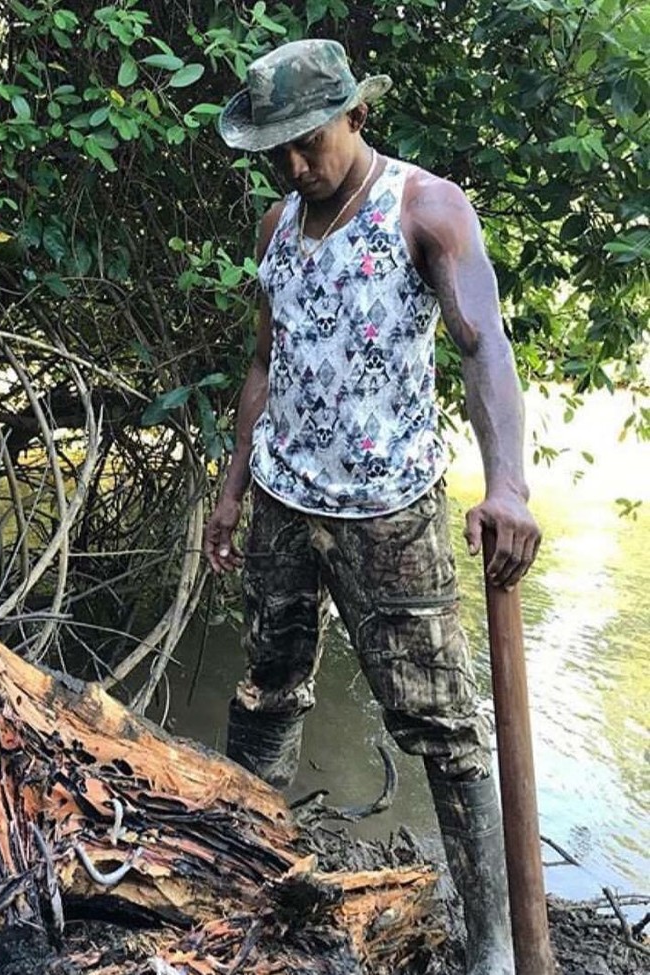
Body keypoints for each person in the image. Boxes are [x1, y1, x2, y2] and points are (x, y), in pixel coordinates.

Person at [206, 39, 542, 975]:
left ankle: (490, 947)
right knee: (267, 688)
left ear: (356, 116)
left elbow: (484, 346)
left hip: (390, 510)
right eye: (276, 151)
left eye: (307, 143)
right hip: (282, 501)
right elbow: (265, 362)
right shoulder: (276, 226)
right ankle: (244, 886)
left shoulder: (424, 207)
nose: (293, 166)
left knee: (444, 723)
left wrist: (507, 485)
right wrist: (232, 489)